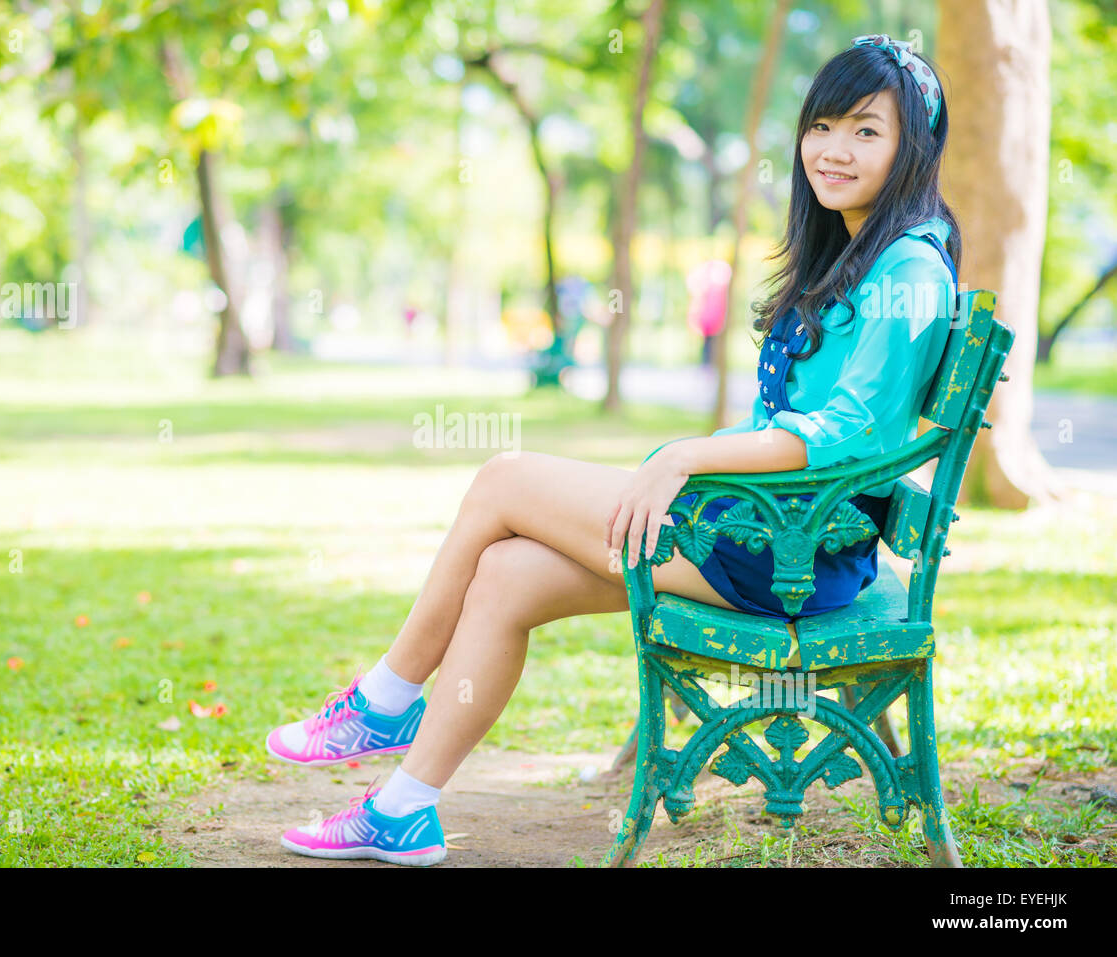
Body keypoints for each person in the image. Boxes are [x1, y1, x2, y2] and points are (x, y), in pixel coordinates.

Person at [267, 33, 961, 865]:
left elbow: (854, 434)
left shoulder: (909, 270)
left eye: (866, 131)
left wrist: (685, 458)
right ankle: (403, 808)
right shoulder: (863, 255)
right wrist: (693, 459)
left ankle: (385, 697)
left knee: (503, 478)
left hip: (791, 554)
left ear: (911, 148)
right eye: (823, 126)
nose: (833, 150)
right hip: (777, 532)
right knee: (504, 573)